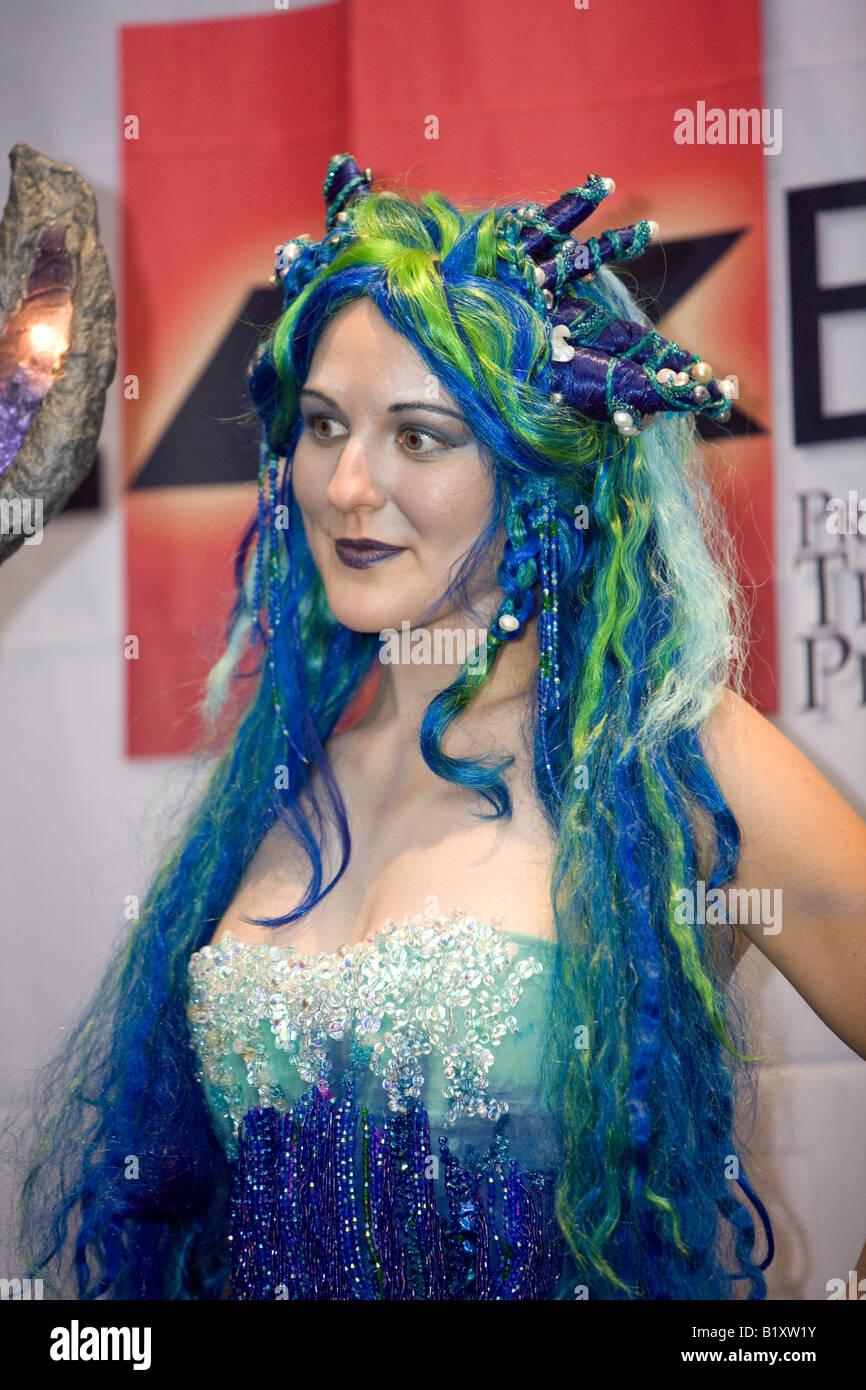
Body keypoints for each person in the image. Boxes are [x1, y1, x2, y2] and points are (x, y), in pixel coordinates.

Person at [17, 155, 866, 1301]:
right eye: (323, 426)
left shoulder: (670, 758)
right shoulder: (286, 782)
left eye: (417, 436)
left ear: (537, 472)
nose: (348, 485)